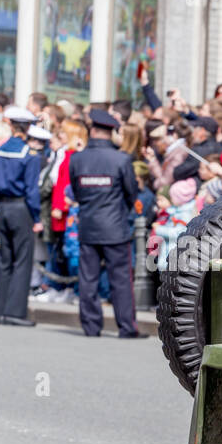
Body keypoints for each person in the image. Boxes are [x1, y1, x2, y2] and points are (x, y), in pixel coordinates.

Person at [68, 109, 142, 339]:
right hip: (115, 227)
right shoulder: (121, 159)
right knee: (120, 279)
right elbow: (132, 193)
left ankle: (91, 326)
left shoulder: (77, 159)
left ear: (92, 130)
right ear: (111, 132)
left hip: (88, 225)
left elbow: (77, 192)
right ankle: (126, 327)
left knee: (87, 279)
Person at [0, 107, 43, 327]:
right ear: (27, 128)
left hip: (3, 207)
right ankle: (15, 312)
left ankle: (0, 309)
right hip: (21, 208)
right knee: (22, 260)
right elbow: (32, 191)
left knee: (4, 260)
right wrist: (37, 217)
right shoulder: (29, 155)